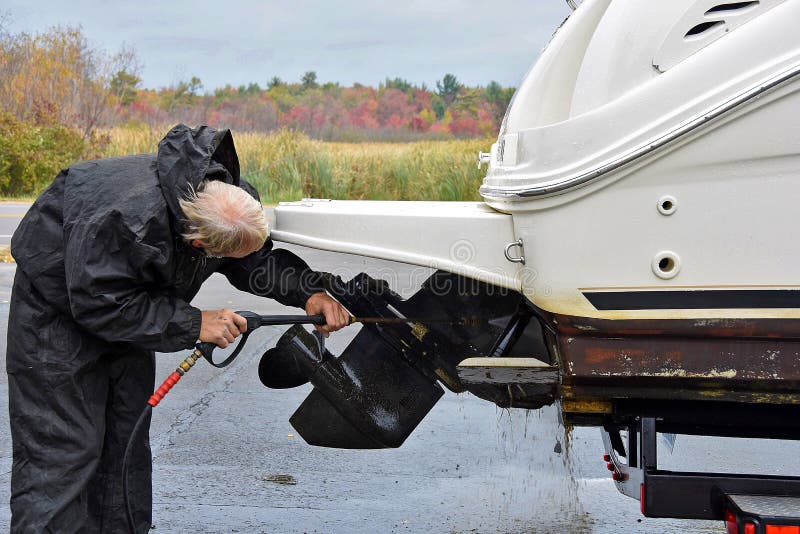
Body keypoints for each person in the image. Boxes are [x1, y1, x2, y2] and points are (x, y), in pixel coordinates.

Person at [6, 124, 350, 532]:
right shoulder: (125, 220)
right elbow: (102, 303)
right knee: (63, 451)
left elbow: (253, 259)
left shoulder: (228, 199)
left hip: (133, 305)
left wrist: (308, 292)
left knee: (124, 445)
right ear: (198, 245)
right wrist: (194, 322)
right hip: (58, 316)